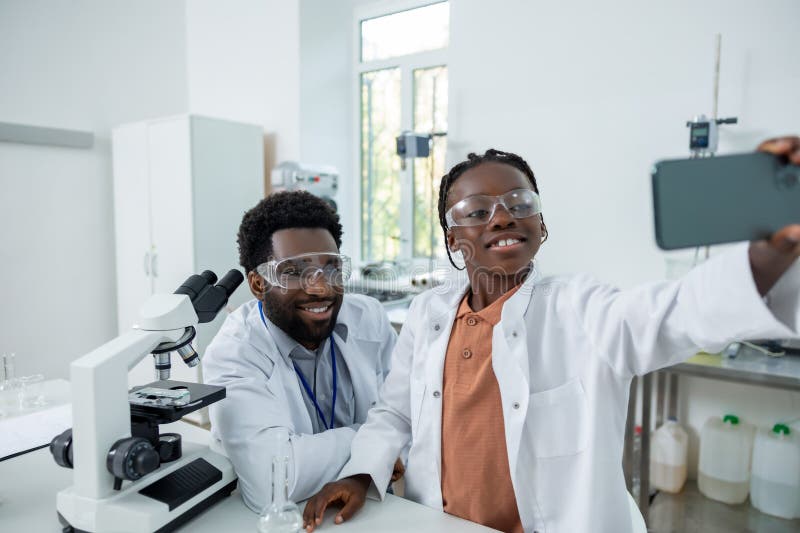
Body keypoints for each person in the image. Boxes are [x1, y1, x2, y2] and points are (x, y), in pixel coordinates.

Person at [302, 138, 800, 532]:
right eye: (476, 211)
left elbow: (673, 313)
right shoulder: (428, 313)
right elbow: (395, 412)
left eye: (519, 203)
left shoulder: (580, 308)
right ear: (452, 238)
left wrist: (768, 257)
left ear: (539, 224)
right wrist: (361, 473)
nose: (502, 216)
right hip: (442, 523)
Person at [202, 191, 401, 512]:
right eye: (293, 272)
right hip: (287, 520)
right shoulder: (234, 352)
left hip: (368, 501)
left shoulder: (368, 317)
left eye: (331, 267)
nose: (320, 287)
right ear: (258, 284)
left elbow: (409, 418)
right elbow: (273, 483)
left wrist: (386, 441)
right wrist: (377, 439)